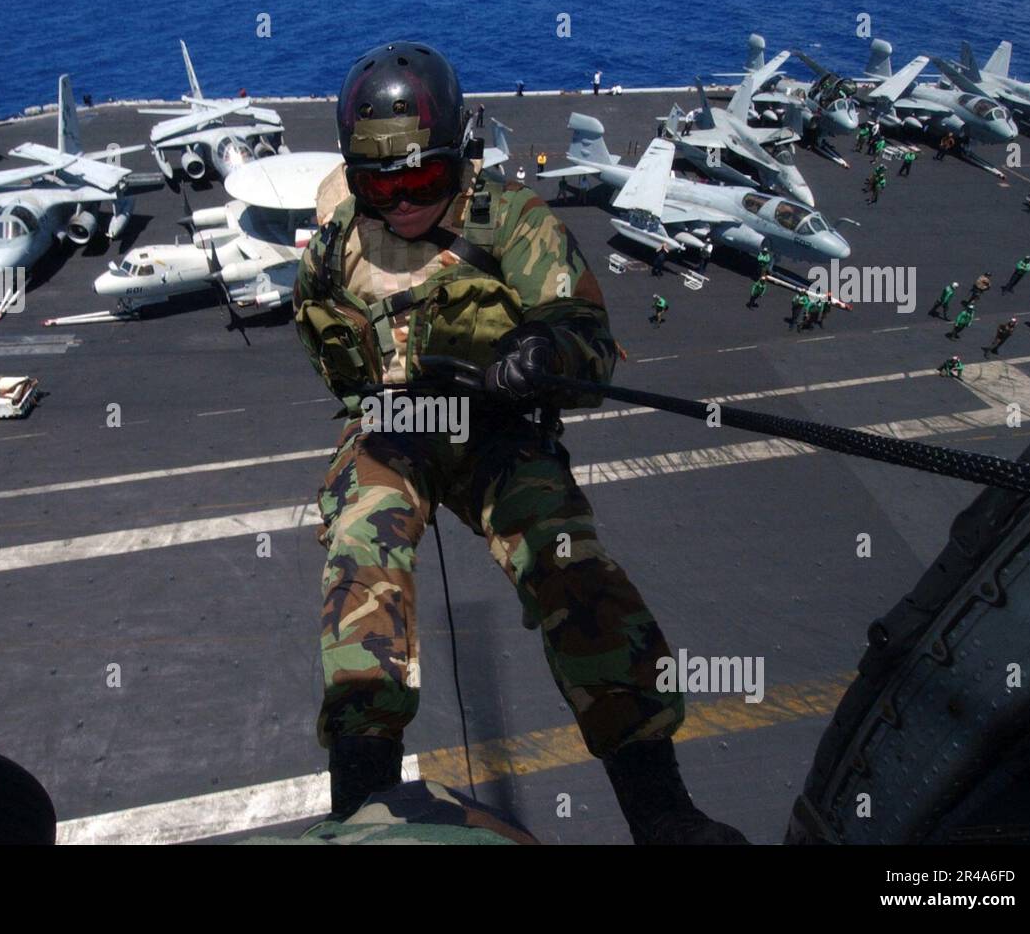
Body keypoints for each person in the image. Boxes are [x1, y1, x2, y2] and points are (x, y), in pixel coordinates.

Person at [293, 41, 746, 844]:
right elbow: (330, 345)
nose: (399, 202)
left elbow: (585, 335)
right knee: (363, 549)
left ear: (458, 159)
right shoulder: (340, 243)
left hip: (497, 430)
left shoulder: (514, 221)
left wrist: (545, 356)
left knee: (571, 567)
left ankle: (662, 810)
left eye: (420, 180)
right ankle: (359, 803)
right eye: (378, 184)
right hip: (401, 426)